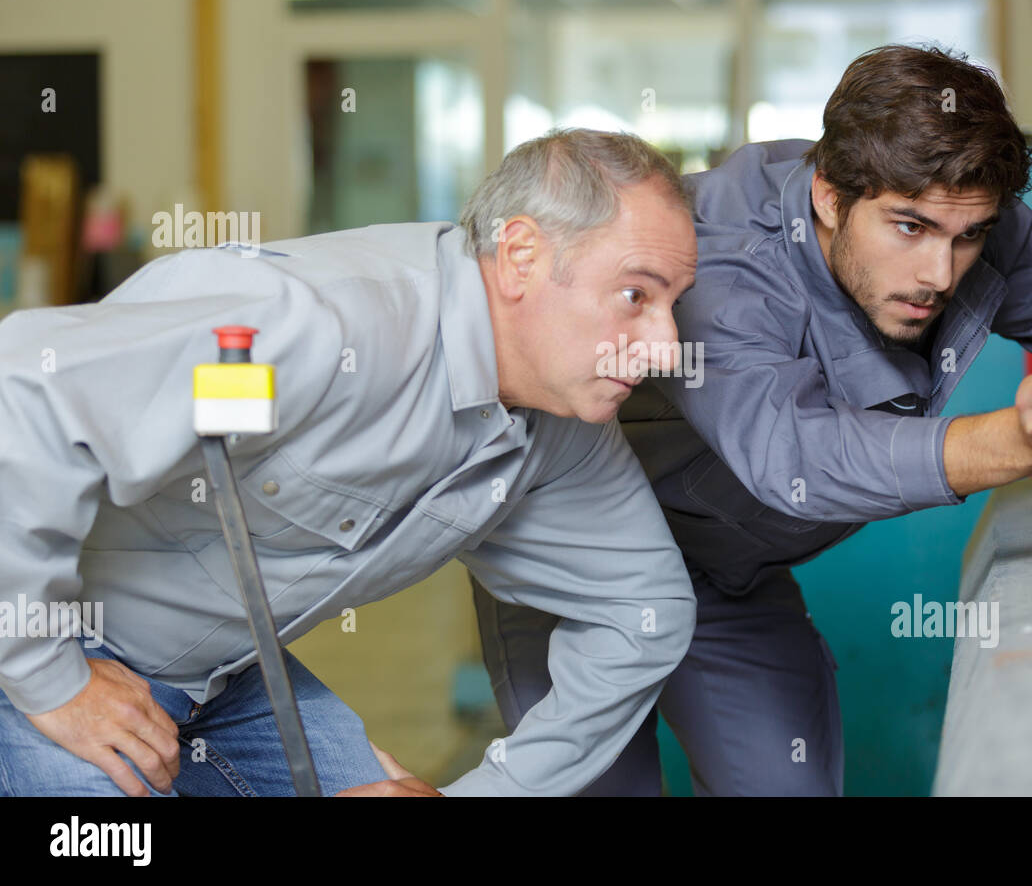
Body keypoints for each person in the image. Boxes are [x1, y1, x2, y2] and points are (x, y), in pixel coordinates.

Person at [470, 44, 1032, 795]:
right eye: (909, 228)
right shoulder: (717, 259)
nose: (940, 275)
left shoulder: (965, 216)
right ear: (828, 196)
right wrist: (1012, 441)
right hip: (571, 571)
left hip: (731, 576)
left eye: (969, 236)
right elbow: (794, 458)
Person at [0, 128, 698, 797]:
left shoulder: (559, 422)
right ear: (521, 256)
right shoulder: (320, 321)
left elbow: (644, 610)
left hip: (227, 676)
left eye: (673, 304)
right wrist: (48, 678)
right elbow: (22, 387)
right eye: (636, 295)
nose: (666, 347)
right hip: (51, 640)